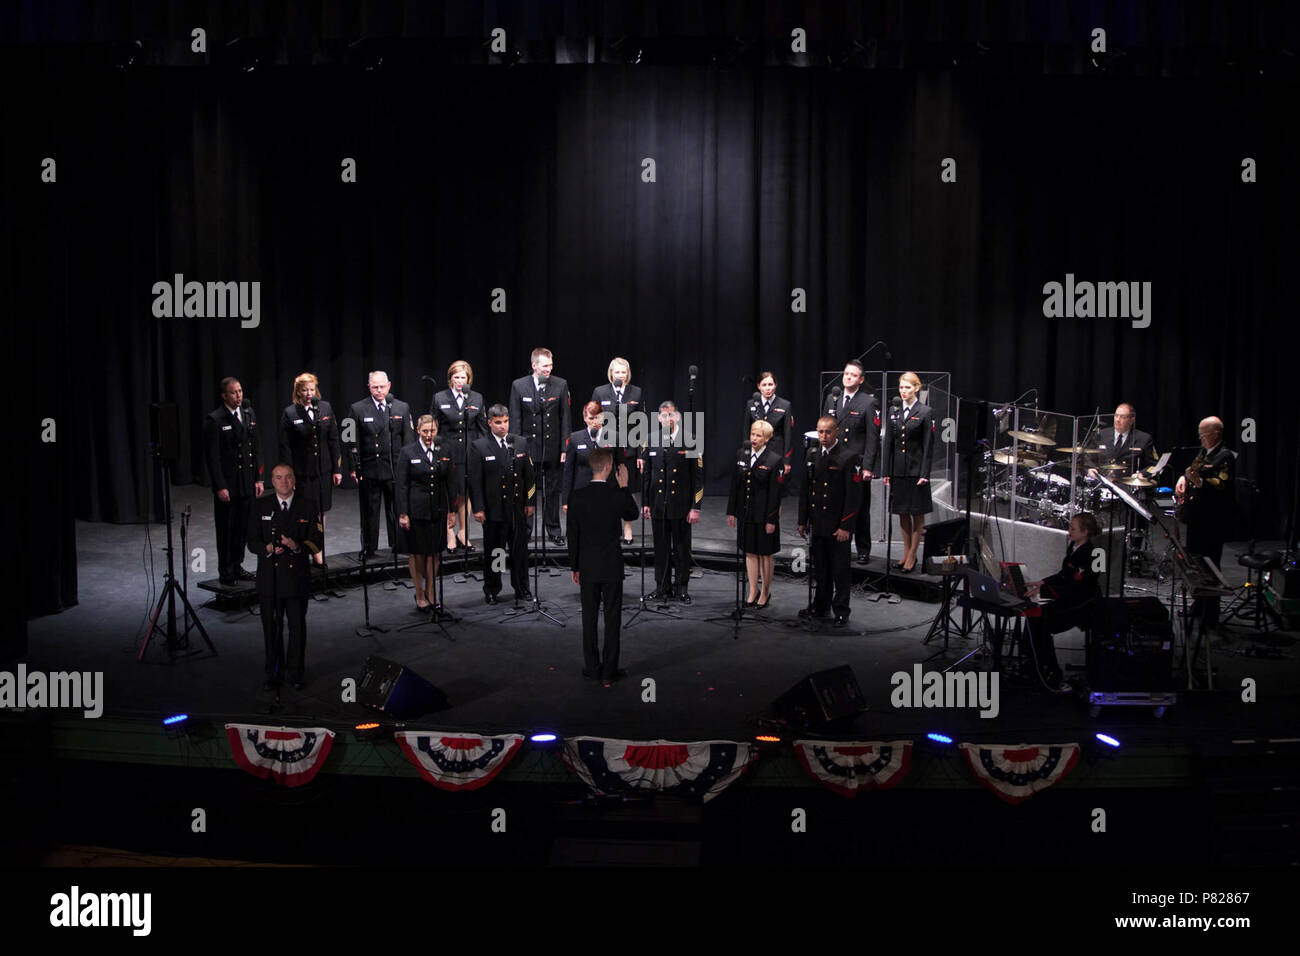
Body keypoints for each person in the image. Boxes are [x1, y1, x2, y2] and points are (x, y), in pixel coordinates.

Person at [247, 464, 323, 691]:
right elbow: (252, 542)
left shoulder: (307, 507)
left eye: (288, 477)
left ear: (294, 481)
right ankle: (273, 672)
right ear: (272, 481)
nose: (284, 482)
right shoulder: (260, 506)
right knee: (271, 628)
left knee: (297, 629)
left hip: (296, 579)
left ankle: (295, 672)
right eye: (279, 478)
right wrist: (268, 548)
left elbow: (317, 541)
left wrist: (297, 546)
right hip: (269, 580)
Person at [567, 449, 639, 681]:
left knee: (588, 618)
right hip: (611, 567)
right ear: (609, 467)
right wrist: (625, 486)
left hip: (587, 567)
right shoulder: (616, 494)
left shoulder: (577, 496)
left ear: (592, 466)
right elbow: (633, 514)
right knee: (612, 619)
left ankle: (592, 666)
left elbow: (573, 536)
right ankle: (609, 670)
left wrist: (574, 567)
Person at [1024, 512, 1103, 692]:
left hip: (1083, 604)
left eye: (1072, 529)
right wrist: (1042, 582)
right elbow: (1063, 576)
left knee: (1043, 619)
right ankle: (1033, 663)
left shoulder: (1094, 554)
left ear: (1085, 532)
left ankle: (1052, 673)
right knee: (1032, 616)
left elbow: (1077, 587)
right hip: (1069, 597)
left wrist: (1042, 591)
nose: (1068, 532)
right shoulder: (1073, 547)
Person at [798, 416, 863, 627]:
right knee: (821, 569)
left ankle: (841, 610)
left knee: (840, 570)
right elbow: (806, 490)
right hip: (818, 522)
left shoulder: (849, 457)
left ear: (836, 432)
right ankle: (821, 604)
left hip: (837, 524)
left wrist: (846, 526)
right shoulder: (812, 454)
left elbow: (853, 497)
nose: (823, 437)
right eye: (820, 432)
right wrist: (802, 520)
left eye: (827, 432)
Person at [468, 405, 536, 604]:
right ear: (490, 423)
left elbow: (529, 477)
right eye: (498, 422)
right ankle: (493, 588)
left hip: (517, 509)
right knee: (496, 553)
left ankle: (522, 587)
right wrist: (478, 508)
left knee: (519, 552)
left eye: (505, 421)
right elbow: (475, 482)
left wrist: (530, 501)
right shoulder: (480, 446)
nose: (503, 426)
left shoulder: (520, 443)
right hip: (494, 510)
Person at [639, 401, 703, 603]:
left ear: (678, 417)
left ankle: (681, 587)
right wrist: (646, 503)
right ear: (658, 418)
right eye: (664, 415)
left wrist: (695, 507)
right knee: (660, 548)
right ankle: (662, 587)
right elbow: (647, 475)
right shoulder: (650, 440)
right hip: (659, 503)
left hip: (681, 504)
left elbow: (698, 477)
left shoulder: (690, 440)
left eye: (671, 415)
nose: (668, 419)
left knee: (682, 547)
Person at [1175, 416, 1235, 631]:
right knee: (1196, 562)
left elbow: (1220, 484)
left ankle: (1210, 616)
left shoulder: (1225, 455)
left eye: (1204, 433)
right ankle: (1199, 606)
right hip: (1196, 517)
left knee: (1210, 566)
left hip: (1212, 520)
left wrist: (1196, 480)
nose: (1200, 437)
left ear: (1216, 434)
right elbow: (1193, 469)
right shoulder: (1204, 452)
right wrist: (1183, 477)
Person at [347, 371, 413, 560]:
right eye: (375, 387)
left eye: (382, 386)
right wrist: (353, 466)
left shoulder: (401, 408)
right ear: (369, 387)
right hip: (370, 468)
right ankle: (369, 547)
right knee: (370, 511)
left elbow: (408, 439)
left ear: (389, 385)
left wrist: (409, 467)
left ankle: (399, 544)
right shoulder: (357, 409)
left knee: (398, 508)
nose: (379, 390)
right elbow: (349, 439)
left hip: (395, 467)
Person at [203, 377, 263, 586]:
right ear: (224, 396)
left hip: (246, 482)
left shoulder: (248, 413)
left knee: (243, 528)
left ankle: (237, 565)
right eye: (233, 393)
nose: (238, 396)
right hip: (229, 484)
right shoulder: (216, 419)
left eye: (240, 391)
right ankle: (225, 570)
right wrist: (220, 486)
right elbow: (213, 458)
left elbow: (256, 448)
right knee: (226, 530)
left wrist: (258, 478)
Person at [509, 348, 571, 545]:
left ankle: (553, 530)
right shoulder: (519, 386)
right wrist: (516, 449)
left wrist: (564, 448)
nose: (549, 369)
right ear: (534, 365)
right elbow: (515, 419)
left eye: (551, 365)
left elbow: (565, 419)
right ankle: (525, 530)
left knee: (552, 491)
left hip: (551, 447)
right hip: (528, 448)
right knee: (528, 491)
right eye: (545, 365)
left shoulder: (560, 385)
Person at [279, 373, 342, 562]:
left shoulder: (325, 408)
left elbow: (333, 440)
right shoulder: (290, 413)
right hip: (301, 473)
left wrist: (337, 469)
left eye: (311, 389)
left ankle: (318, 551)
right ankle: (304, 552)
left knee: (320, 513)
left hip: (322, 471)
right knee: (304, 513)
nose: (308, 393)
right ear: (298, 391)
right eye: (305, 390)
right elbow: (284, 447)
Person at [396, 415, 454, 612]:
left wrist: (451, 510)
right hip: (416, 510)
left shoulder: (443, 450)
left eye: (432, 431)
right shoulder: (408, 452)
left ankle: (430, 592)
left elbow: (449, 482)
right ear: (418, 431)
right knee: (418, 553)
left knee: (434, 552)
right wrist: (403, 513)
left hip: (437, 509)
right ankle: (419, 593)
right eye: (425, 432)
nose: (429, 436)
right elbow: (402, 485)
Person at [825, 360, 880, 565]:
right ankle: (836, 545)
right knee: (834, 504)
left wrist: (868, 466)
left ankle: (863, 549)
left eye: (853, 375)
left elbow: (873, 438)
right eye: (846, 373)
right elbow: (825, 427)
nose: (848, 377)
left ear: (861, 379)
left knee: (860, 507)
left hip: (856, 464)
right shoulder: (832, 398)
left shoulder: (868, 402)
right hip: (835, 461)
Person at [882, 371, 935, 573]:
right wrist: (886, 470)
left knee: (916, 514)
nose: (904, 391)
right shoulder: (894, 411)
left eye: (908, 387)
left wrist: (925, 473)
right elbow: (888, 443)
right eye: (902, 387)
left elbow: (928, 446)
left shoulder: (925, 411)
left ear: (916, 388)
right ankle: (905, 552)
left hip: (916, 470)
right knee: (902, 513)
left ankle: (913, 554)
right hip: (898, 470)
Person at [433, 360, 488, 553]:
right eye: (456, 377)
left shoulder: (476, 398)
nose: (459, 380)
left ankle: (463, 532)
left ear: (468, 379)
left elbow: (482, 428)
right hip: (447, 452)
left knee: (466, 492)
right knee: (450, 493)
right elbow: (434, 427)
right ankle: (449, 532)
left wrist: (484, 451)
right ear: (450, 379)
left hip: (469, 452)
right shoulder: (439, 398)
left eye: (462, 377)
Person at [727, 420, 782, 609]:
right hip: (746, 511)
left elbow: (776, 493)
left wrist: (771, 519)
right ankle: (753, 589)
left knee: (765, 554)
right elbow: (736, 484)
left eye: (759, 436)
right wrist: (732, 511)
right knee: (750, 552)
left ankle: (765, 592)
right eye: (752, 434)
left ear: (766, 438)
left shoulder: (774, 459)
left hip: (764, 513)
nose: (754, 439)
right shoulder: (742, 454)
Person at [591, 357, 643, 544]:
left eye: (623, 372)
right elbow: (594, 419)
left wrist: (640, 454)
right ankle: (609, 526)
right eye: (617, 372)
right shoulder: (600, 392)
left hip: (628, 449)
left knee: (626, 488)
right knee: (606, 489)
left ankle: (627, 527)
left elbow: (640, 425)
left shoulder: (635, 392)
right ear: (611, 373)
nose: (620, 375)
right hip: (606, 448)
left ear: (627, 374)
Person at [563, 401, 625, 515]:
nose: (594, 422)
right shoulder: (575, 438)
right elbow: (568, 471)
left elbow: (621, 467)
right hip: (582, 491)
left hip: (608, 491)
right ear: (585, 418)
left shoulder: (615, 437)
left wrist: (624, 493)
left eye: (597, 418)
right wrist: (566, 500)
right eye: (591, 418)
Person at [743, 372, 794, 479]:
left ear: (775, 385)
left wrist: (786, 460)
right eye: (764, 385)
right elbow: (746, 432)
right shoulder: (751, 404)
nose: (768, 388)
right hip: (756, 451)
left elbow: (788, 435)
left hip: (776, 452)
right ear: (759, 386)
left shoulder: (785, 405)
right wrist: (746, 455)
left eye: (770, 384)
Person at [1089, 403, 1158, 478]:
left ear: (1132, 420)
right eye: (1116, 416)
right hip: (1103, 483)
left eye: (1122, 417)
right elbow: (1088, 457)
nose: (1118, 420)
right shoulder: (1101, 434)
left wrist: (1142, 474)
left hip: (1128, 484)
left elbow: (1153, 465)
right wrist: (1090, 469)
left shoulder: (1143, 439)